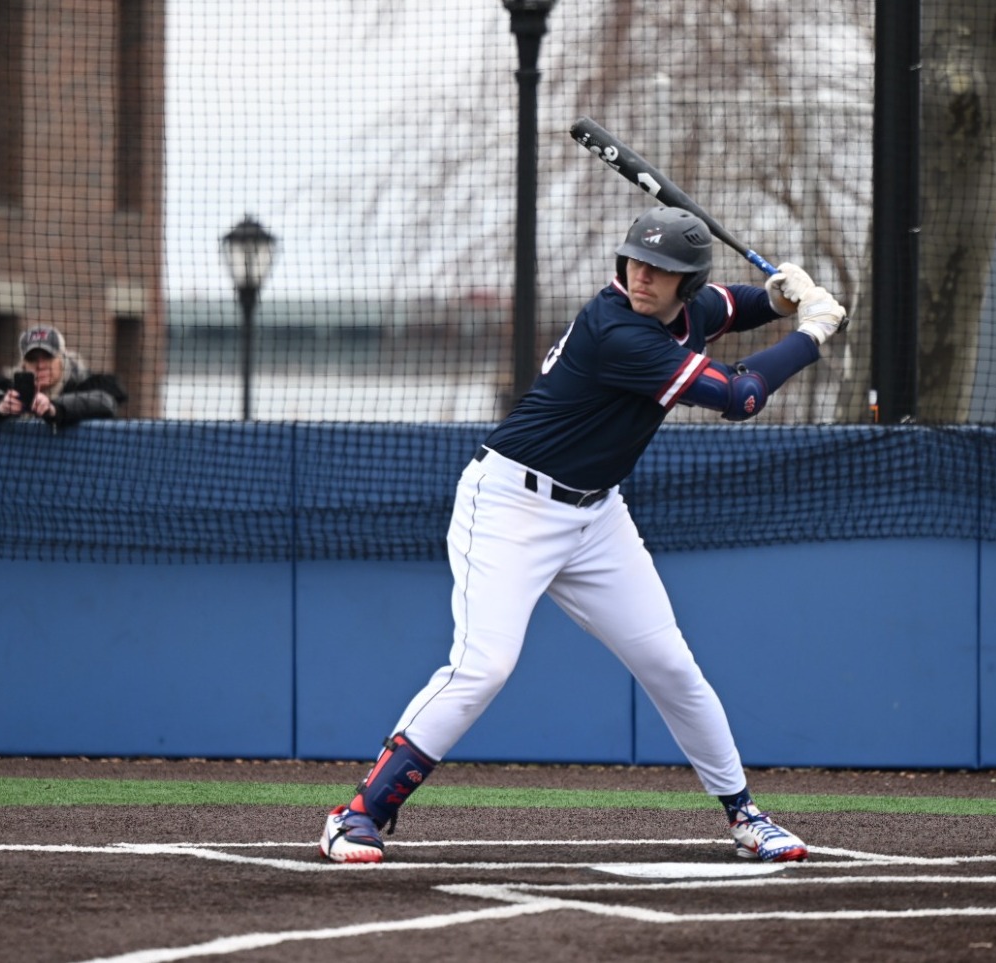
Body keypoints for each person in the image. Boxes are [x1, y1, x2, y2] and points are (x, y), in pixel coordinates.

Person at [319, 206, 847, 865]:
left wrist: (770, 298)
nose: (643, 275)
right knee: (484, 666)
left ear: (686, 283)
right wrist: (812, 332)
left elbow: (726, 307)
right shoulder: (618, 330)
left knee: (671, 665)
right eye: (636, 261)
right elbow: (741, 396)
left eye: (662, 269)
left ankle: (745, 813)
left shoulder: (682, 311)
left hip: (596, 516)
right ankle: (358, 814)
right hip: (511, 504)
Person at [0, 325, 127, 426]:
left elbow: (106, 402)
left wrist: (54, 408)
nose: (40, 365)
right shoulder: (7, 386)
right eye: (33, 359)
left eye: (47, 356)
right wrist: (0, 405)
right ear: (23, 363)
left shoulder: (86, 383)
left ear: (61, 358)